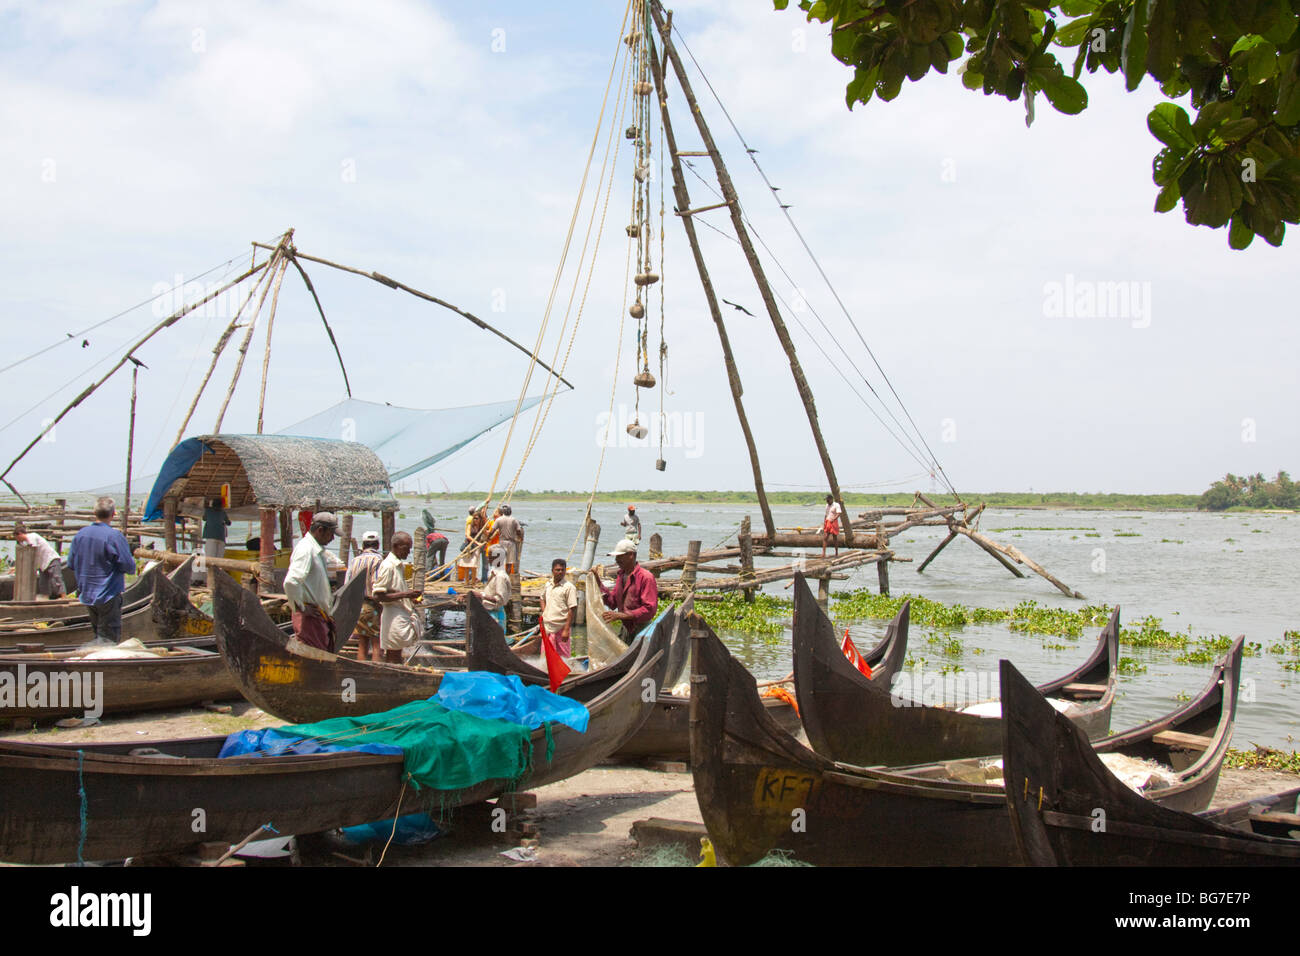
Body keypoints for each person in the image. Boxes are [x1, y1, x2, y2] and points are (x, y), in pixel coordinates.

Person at [66, 496, 137, 643]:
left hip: (87, 594)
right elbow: (129, 567)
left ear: (94, 513)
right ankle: (105, 664)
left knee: (98, 634)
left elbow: (71, 564)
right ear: (113, 514)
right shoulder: (114, 536)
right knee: (109, 640)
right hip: (108, 594)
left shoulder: (80, 535)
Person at [283, 512, 338, 651]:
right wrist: (301, 607)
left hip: (317, 616)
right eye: (331, 534)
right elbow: (291, 581)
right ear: (320, 530)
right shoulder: (306, 549)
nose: (332, 538)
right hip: (310, 618)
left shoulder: (315, 549)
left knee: (319, 656)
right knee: (314, 657)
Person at [372, 531, 423, 664]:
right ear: (396, 546)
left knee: (396, 651)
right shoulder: (388, 566)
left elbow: (392, 590)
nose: (408, 552)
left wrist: (409, 597)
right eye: (406, 548)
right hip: (393, 615)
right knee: (393, 653)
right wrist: (406, 594)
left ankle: (395, 678)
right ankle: (393, 680)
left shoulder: (398, 565)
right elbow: (378, 595)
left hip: (400, 613)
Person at [598, 538, 658, 640]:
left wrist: (622, 615)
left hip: (642, 629)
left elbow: (649, 610)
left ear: (631, 555)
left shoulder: (646, 577)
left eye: (620, 556)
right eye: (616, 556)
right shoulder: (621, 575)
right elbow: (612, 602)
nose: (616, 560)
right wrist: (597, 582)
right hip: (626, 628)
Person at [344, 531, 384, 662]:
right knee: (377, 644)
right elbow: (377, 586)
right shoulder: (378, 560)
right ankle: (377, 674)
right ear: (377, 545)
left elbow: (347, 585)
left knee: (362, 643)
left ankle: (362, 670)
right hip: (372, 605)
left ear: (363, 545)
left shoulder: (355, 560)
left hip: (357, 606)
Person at [460, 544, 511, 633]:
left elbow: (500, 600)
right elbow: (489, 592)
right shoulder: (493, 573)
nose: (487, 559)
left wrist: (481, 595)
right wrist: (469, 595)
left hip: (496, 617)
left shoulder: (500, 577)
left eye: (490, 557)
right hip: (489, 614)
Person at [15, 522, 65, 599]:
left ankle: (64, 597)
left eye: (17, 537)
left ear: (20, 534)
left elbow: (32, 549)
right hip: (42, 564)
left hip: (51, 559)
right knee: (43, 582)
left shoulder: (32, 536)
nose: (17, 540)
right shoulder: (27, 542)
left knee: (56, 578)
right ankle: (45, 598)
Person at [540, 557, 577, 656]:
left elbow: (572, 609)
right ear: (552, 571)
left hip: (561, 626)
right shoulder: (548, 584)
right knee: (546, 656)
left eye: (562, 570)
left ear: (565, 571)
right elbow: (542, 598)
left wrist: (566, 630)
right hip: (548, 626)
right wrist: (544, 612)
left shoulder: (569, 587)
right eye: (557, 570)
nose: (560, 572)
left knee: (563, 656)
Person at [200, 498, 230, 584]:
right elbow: (229, 523)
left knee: (209, 558)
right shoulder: (223, 512)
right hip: (221, 537)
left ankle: (207, 580)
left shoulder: (208, 510)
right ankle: (217, 580)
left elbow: (204, 518)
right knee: (219, 559)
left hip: (210, 536)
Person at [492, 504, 520, 574]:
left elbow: (492, 530)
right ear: (510, 511)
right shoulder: (514, 520)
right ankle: (507, 577)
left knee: (500, 562)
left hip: (502, 543)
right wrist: (519, 537)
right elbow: (519, 530)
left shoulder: (499, 519)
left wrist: (487, 537)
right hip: (511, 543)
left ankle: (500, 576)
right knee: (509, 563)